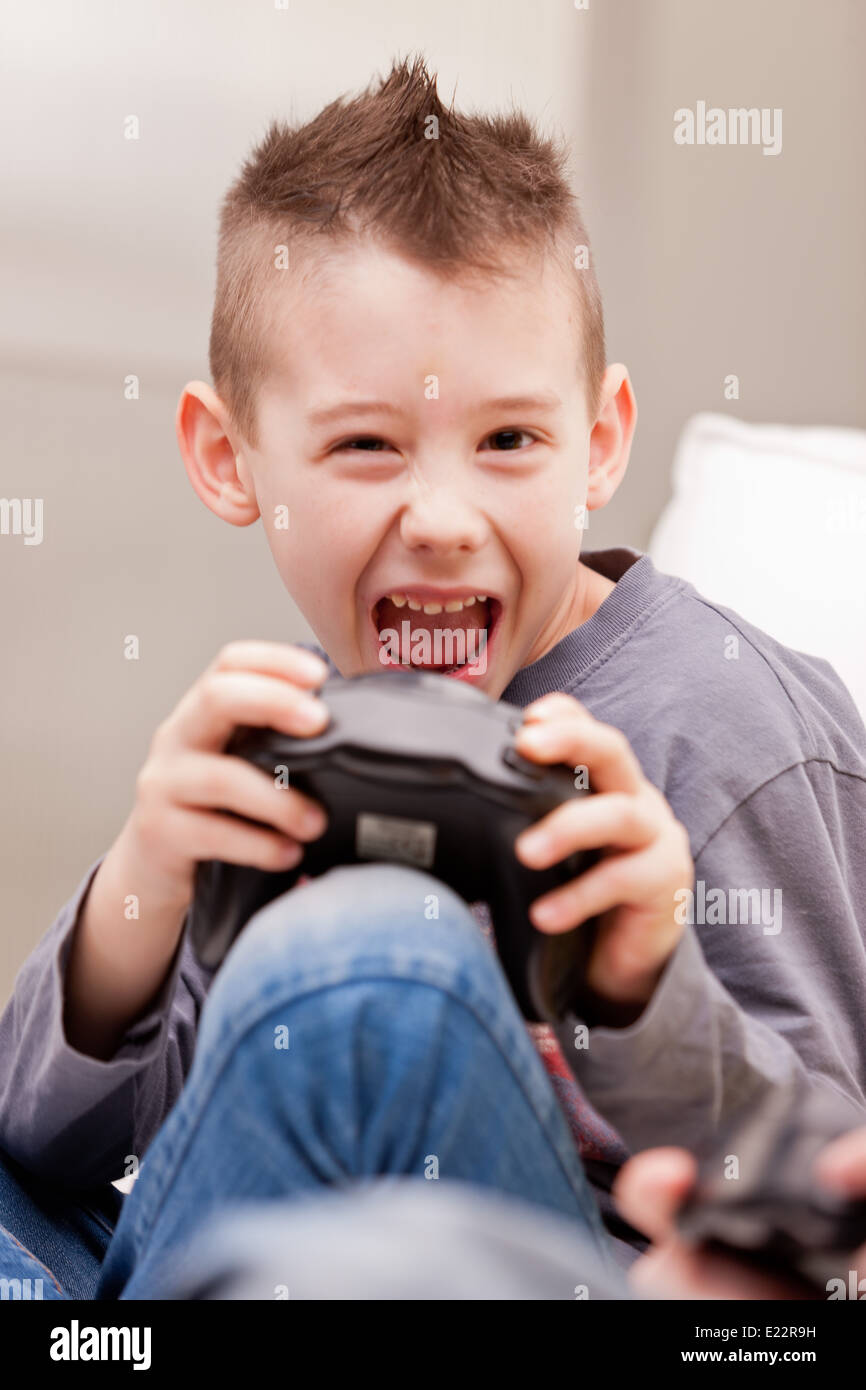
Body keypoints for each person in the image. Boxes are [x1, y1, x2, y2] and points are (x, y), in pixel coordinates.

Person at [1, 55, 865, 1301]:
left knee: (378, 954)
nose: (444, 516)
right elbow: (48, 1146)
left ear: (598, 442)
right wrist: (145, 879)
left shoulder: (726, 721)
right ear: (228, 457)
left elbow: (828, 1229)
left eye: (509, 439)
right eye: (365, 445)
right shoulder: (291, 731)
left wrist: (639, 999)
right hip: (215, 1263)